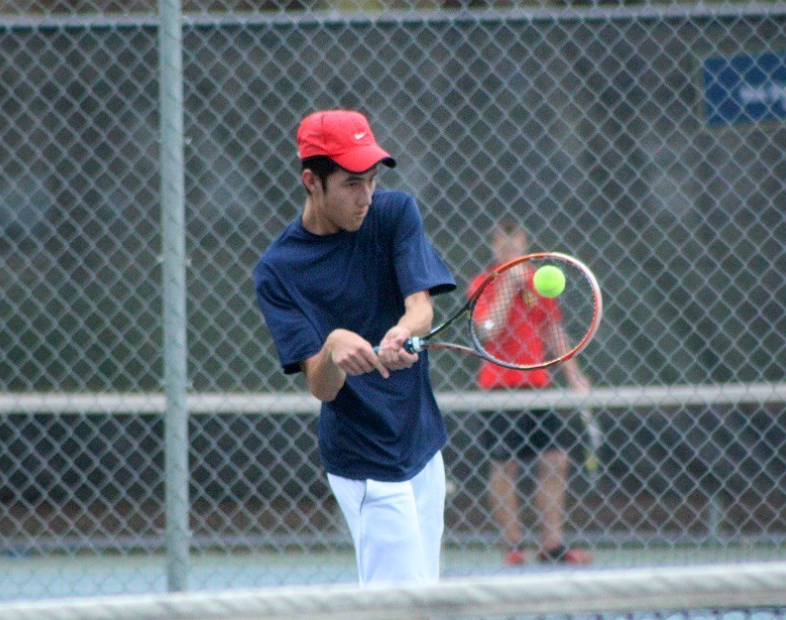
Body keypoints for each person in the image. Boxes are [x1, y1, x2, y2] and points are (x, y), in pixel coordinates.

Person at [254, 109, 456, 585]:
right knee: (399, 607)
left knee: (424, 601)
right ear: (311, 181)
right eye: (350, 184)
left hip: (423, 442)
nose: (365, 197)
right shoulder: (278, 270)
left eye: (371, 181)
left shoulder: (395, 214)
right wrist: (331, 348)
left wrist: (402, 331)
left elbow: (420, 308)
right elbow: (322, 387)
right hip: (365, 461)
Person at [470, 218, 594, 566]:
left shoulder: (539, 282)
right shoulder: (483, 283)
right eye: (503, 243)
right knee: (504, 464)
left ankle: (551, 545)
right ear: (493, 246)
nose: (510, 249)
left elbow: (553, 330)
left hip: (538, 386)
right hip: (498, 387)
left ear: (525, 245)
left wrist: (574, 376)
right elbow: (488, 330)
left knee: (556, 459)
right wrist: (508, 287)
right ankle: (513, 546)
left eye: (516, 243)